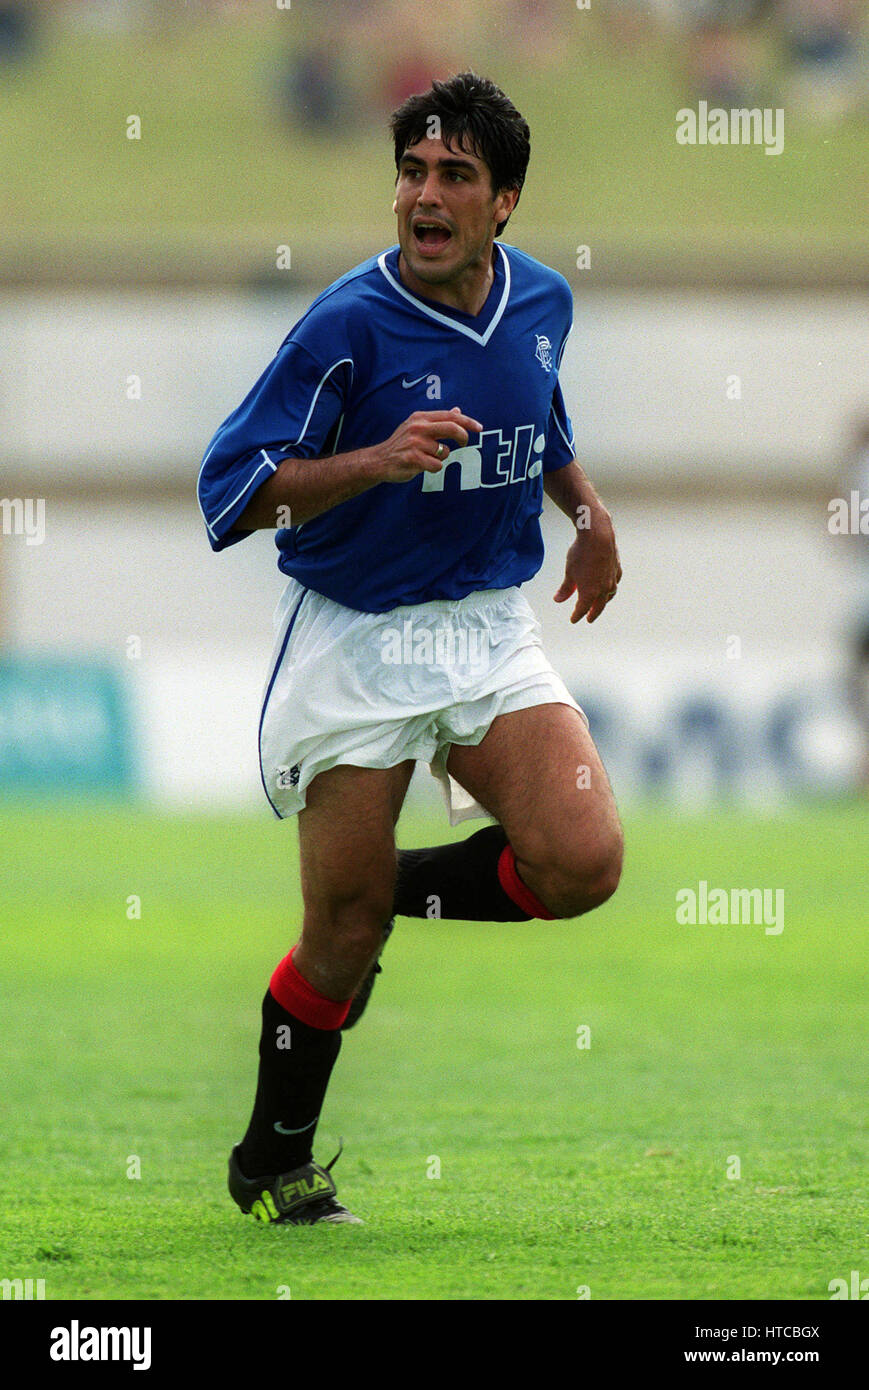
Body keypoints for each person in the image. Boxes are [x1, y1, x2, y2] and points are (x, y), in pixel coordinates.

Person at [198, 71, 624, 1226]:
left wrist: (584, 512)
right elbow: (228, 492)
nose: (423, 194)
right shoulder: (345, 323)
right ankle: (272, 1160)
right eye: (411, 172)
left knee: (581, 861)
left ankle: (392, 891)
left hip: (486, 626)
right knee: (335, 941)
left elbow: (541, 412)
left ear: (505, 204)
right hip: (357, 641)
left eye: (453, 176)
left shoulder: (540, 301)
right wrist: (371, 461)